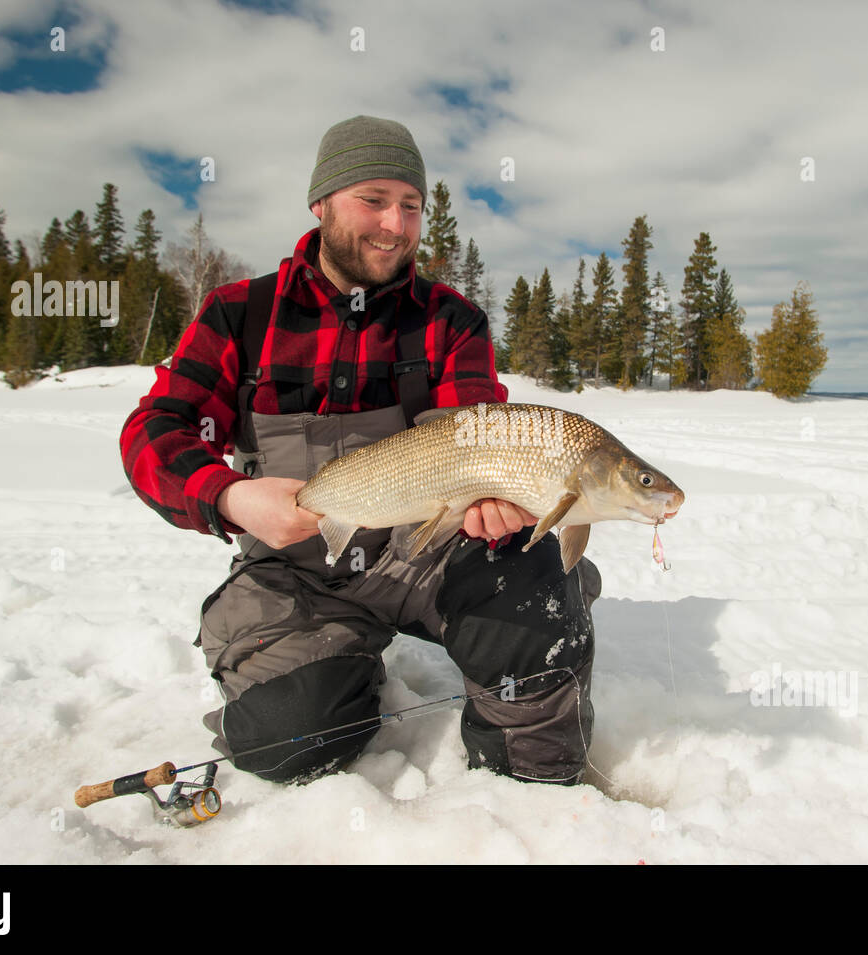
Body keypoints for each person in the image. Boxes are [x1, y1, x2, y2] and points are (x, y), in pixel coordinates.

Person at [119, 115, 601, 786]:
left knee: (531, 582)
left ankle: (533, 794)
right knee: (289, 735)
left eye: (411, 206)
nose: (395, 224)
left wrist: (495, 500)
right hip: (295, 572)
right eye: (373, 199)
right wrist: (229, 494)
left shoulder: (450, 322)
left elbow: (478, 434)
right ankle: (335, 669)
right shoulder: (239, 314)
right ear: (321, 204)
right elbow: (155, 432)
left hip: (423, 552)